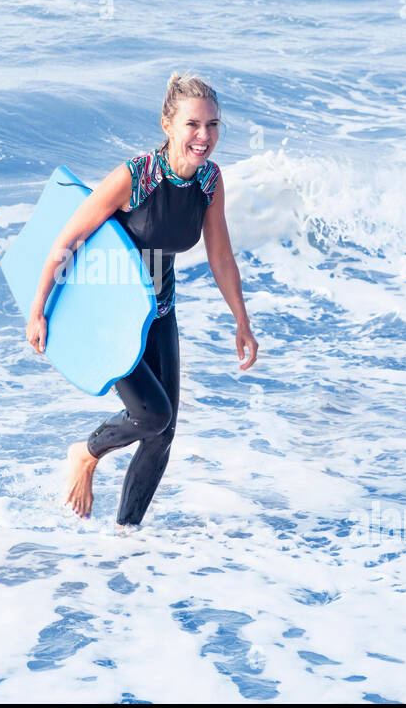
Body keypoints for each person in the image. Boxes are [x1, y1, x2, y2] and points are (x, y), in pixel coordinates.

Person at [24, 72, 258, 529]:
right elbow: (68, 239)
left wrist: (242, 321)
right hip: (111, 312)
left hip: (159, 311)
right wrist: (38, 308)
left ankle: (126, 537)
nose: (204, 136)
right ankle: (85, 453)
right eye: (193, 125)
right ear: (168, 125)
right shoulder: (135, 177)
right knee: (151, 414)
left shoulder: (209, 182)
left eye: (212, 125)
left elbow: (221, 254)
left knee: (163, 432)